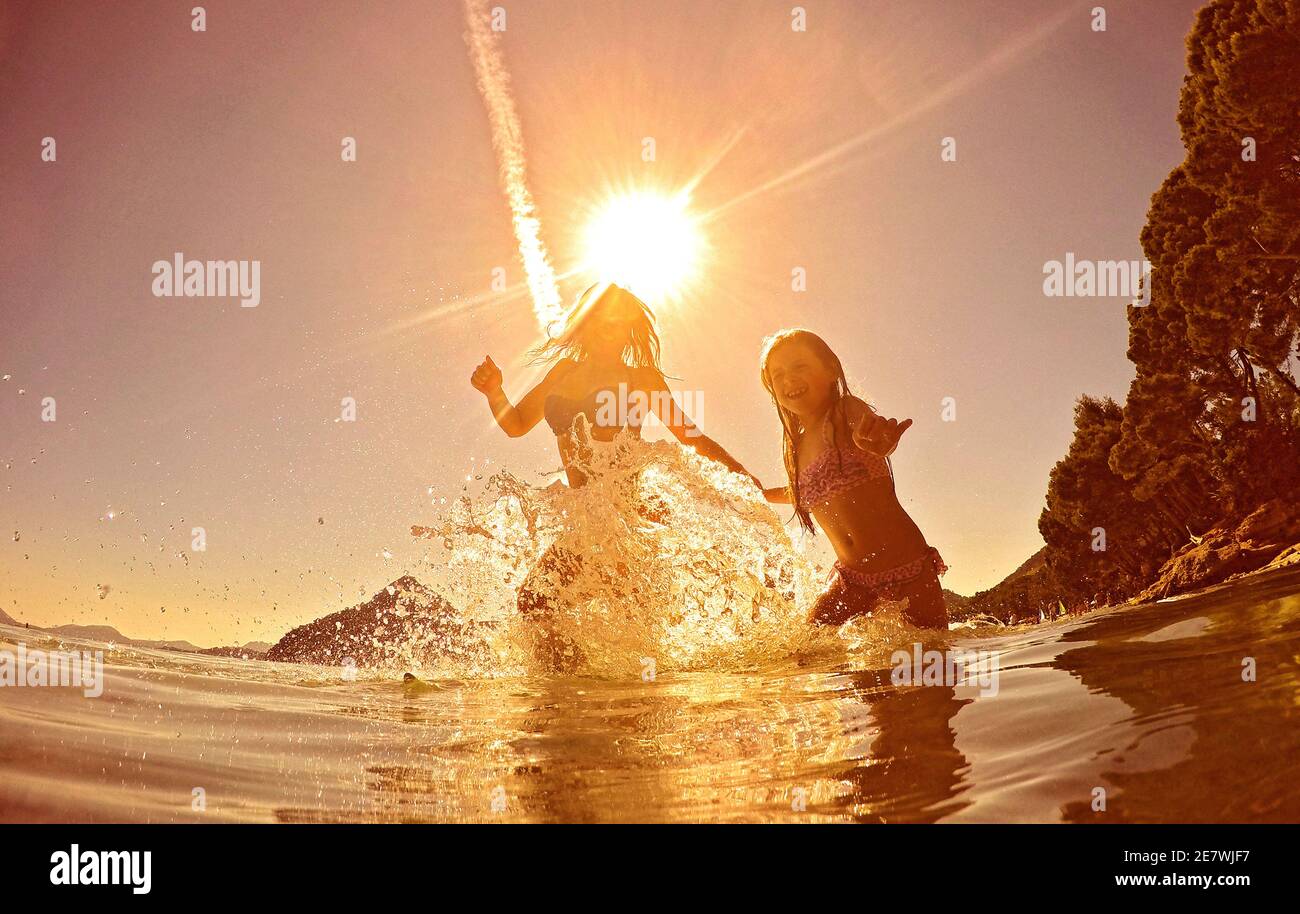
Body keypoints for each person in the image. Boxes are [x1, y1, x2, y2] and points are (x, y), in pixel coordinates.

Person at [469, 282, 755, 621]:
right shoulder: (562, 372)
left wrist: (746, 479)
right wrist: (494, 392)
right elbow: (515, 424)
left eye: (620, 319)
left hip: (627, 523)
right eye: (602, 315)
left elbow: (691, 437)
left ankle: (649, 672)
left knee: (631, 620)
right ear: (585, 322)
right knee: (535, 603)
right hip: (585, 523)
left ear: (629, 328)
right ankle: (569, 675)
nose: (610, 324)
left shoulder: (641, 379)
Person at [757, 329, 948, 628]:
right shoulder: (796, 448)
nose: (788, 379)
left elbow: (870, 432)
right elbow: (805, 491)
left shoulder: (846, 410)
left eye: (799, 366)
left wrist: (879, 441)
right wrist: (760, 493)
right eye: (777, 374)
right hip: (852, 580)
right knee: (806, 653)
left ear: (831, 369)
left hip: (908, 568)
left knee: (932, 661)